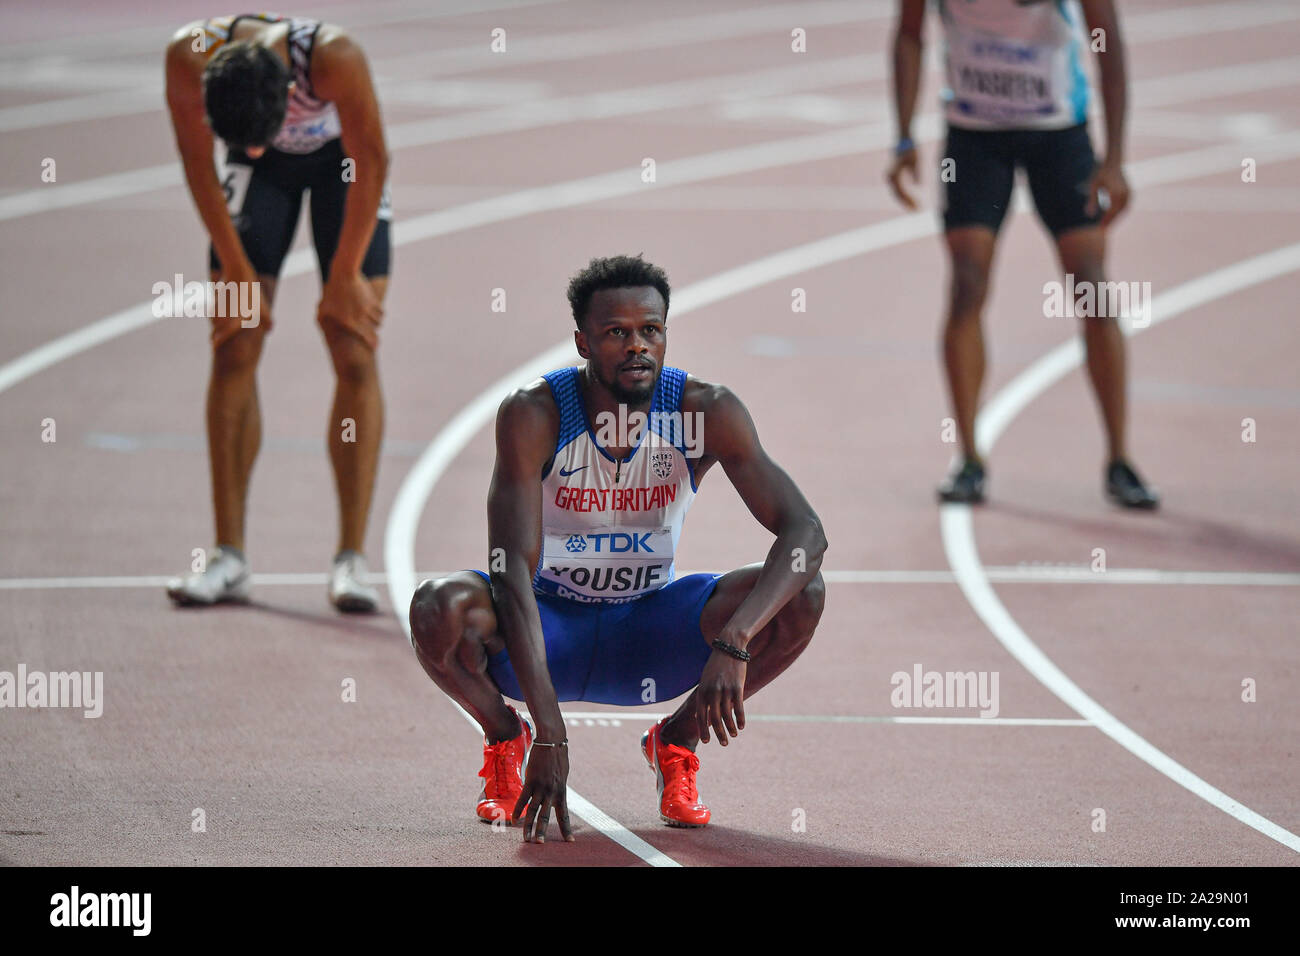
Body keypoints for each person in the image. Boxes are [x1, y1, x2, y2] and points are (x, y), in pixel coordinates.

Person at [409, 256, 827, 843]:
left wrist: (735, 640)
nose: (638, 347)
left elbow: (806, 532)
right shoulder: (536, 414)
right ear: (583, 341)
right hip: (550, 627)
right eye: (617, 333)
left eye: (650, 330)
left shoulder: (702, 411)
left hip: (649, 630)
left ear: (665, 334)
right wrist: (551, 734)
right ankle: (507, 735)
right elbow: (510, 576)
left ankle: (675, 742)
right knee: (437, 605)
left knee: (801, 592)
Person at [887, 0, 1158, 509]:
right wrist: (903, 134)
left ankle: (1120, 459)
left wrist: (1116, 160)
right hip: (973, 139)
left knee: (1092, 290)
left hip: (1059, 134)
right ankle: (968, 458)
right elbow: (908, 32)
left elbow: (1108, 37)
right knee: (967, 285)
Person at [163, 13, 393, 611]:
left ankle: (351, 561)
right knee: (234, 340)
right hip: (258, 183)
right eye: (247, 137)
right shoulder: (188, 58)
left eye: (265, 132)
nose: (262, 142)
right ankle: (229, 558)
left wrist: (343, 278)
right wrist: (236, 268)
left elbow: (372, 161)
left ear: (292, 94)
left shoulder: (334, 57)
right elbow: (197, 165)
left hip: (342, 169)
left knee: (353, 344)